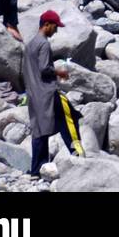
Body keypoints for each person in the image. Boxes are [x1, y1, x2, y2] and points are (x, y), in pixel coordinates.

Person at [23, 10, 82, 176]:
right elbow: (44, 69)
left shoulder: (30, 44)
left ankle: (37, 169)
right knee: (71, 120)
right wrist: (59, 73)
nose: (56, 30)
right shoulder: (44, 44)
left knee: (39, 131)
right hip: (48, 93)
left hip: (34, 94)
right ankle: (78, 157)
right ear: (47, 25)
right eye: (55, 27)